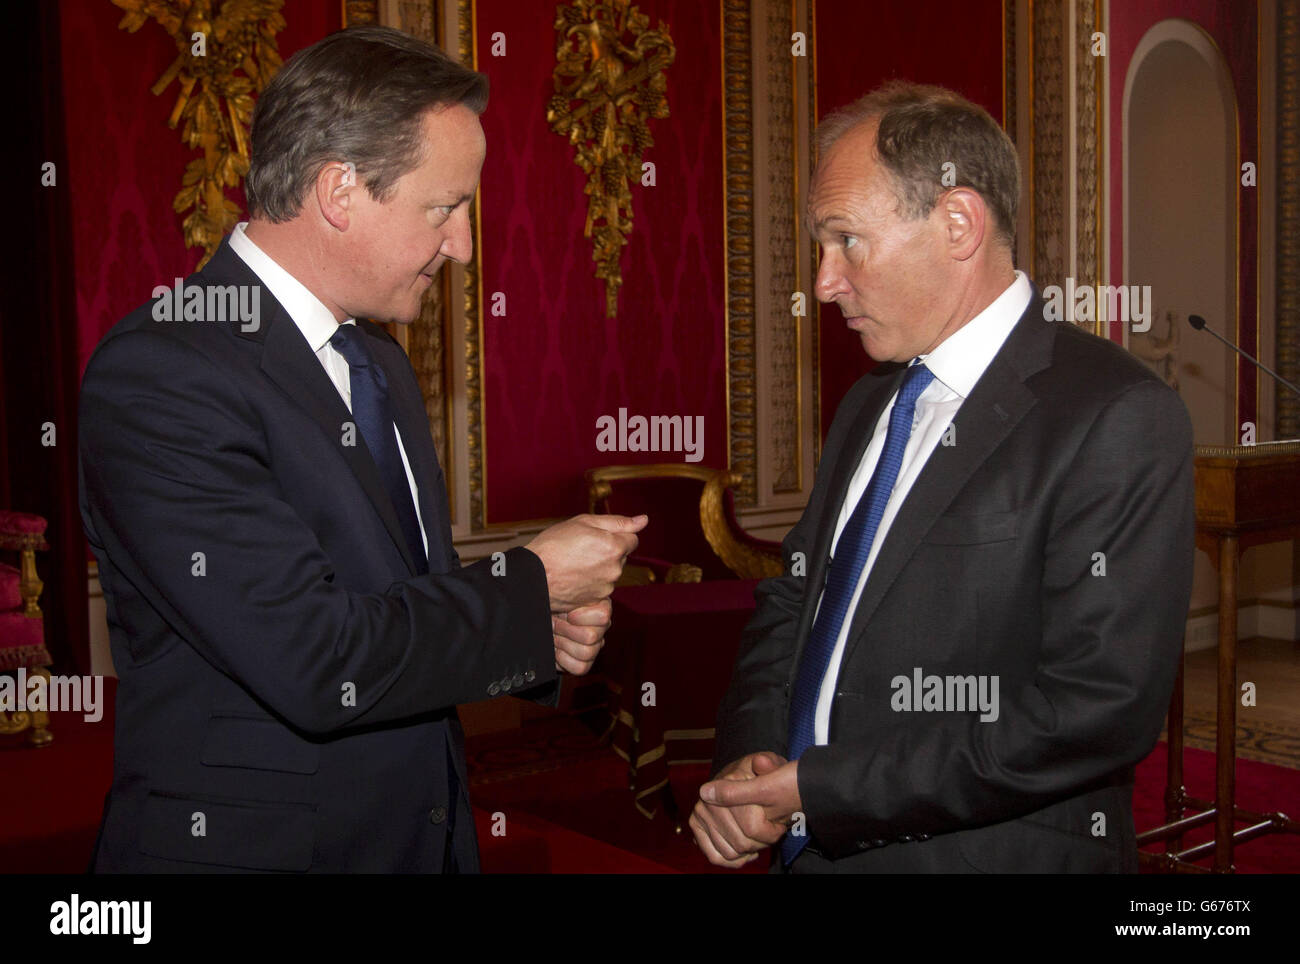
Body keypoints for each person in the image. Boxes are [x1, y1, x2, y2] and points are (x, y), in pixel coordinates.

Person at [79, 25, 645, 873]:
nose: (461, 245)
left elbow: (397, 603)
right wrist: (529, 584)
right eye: (444, 207)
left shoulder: (374, 359)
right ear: (339, 191)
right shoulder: (164, 371)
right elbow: (314, 657)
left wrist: (538, 628)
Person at [691, 81, 1194, 873]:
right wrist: (749, 760)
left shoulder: (1114, 413)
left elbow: (1097, 710)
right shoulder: (869, 401)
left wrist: (826, 789)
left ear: (958, 223)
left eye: (845, 240)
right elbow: (793, 598)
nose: (823, 283)